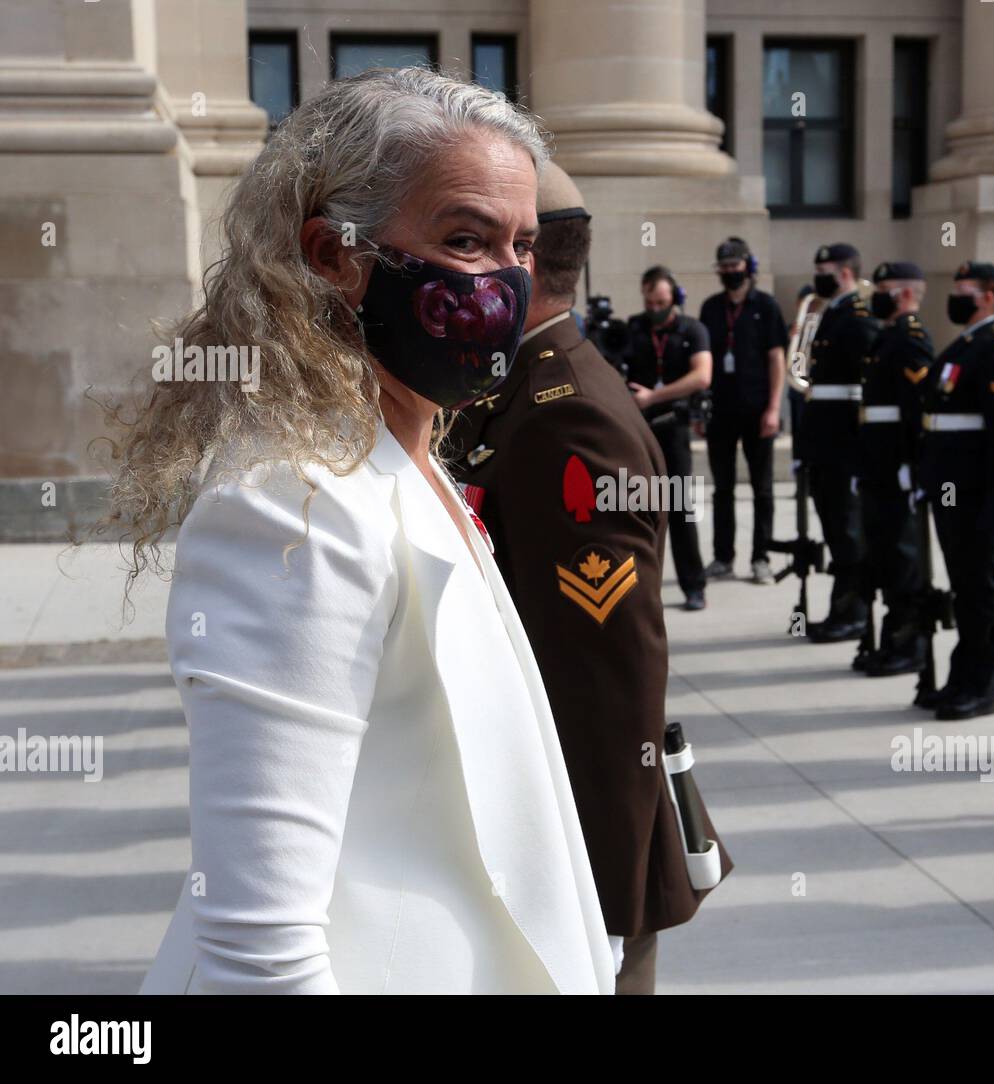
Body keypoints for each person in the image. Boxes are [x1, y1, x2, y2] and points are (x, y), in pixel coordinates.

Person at [118, 69, 613, 993]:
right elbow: (258, 950)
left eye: (522, 245)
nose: (506, 279)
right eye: (465, 239)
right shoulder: (290, 503)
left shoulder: (405, 459)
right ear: (334, 254)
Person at [447, 165, 733, 990]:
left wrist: (605, 888)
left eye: (464, 245)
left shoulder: (566, 415)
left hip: (580, 839)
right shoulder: (526, 387)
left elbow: (610, 670)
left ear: (523, 260)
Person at [915, 262, 994, 719]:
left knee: (981, 587)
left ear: (988, 296)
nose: (955, 297)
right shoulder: (962, 346)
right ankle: (963, 675)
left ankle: (983, 683)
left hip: (975, 491)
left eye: (964, 290)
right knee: (964, 586)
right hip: (949, 489)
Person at [853, 260, 934, 676]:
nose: (875, 296)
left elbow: (917, 408)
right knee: (881, 554)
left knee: (903, 557)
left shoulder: (911, 339)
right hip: (876, 463)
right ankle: (892, 636)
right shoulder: (887, 337)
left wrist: (911, 463)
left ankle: (910, 642)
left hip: (894, 465)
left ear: (904, 294)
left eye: (883, 288)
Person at [801, 243, 881, 643]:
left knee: (848, 532)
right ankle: (842, 607)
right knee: (835, 528)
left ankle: (854, 611)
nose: (819, 274)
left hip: (845, 443)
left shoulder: (860, 317)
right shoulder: (832, 313)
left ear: (846, 273)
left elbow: (868, 389)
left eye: (825, 268)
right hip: (825, 442)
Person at [624, 266, 713, 610]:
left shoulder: (693, 329)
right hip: (638, 428)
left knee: (680, 507)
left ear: (674, 297)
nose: (655, 307)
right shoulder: (634, 327)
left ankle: (694, 585)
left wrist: (653, 397)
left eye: (661, 301)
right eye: (649, 301)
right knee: (635, 506)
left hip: (673, 426)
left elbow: (702, 376)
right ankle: (642, 588)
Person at [699, 237, 787, 585]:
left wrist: (774, 408)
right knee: (722, 488)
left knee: (762, 488)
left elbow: (776, 358)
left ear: (748, 267)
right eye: (724, 268)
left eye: (735, 266)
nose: (730, 273)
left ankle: (761, 557)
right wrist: (700, 412)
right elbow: (702, 362)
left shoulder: (766, 306)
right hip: (721, 411)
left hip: (758, 409)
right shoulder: (710, 308)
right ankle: (723, 558)